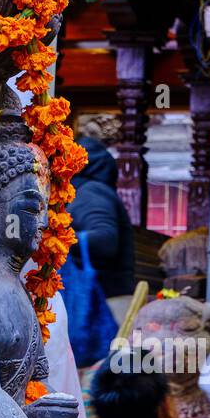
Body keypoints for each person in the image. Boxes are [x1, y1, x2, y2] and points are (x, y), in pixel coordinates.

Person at [69, 137, 134, 321]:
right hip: (109, 301)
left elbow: (105, 239)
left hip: (107, 305)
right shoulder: (94, 190)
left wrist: (58, 240)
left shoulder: (92, 192)